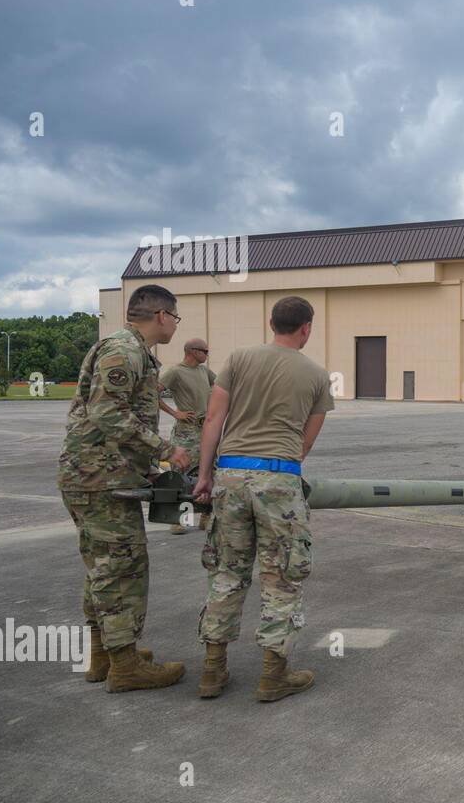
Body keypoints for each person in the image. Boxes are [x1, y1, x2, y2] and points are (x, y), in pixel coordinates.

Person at [191, 296, 334, 702]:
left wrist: (205, 476)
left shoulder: (237, 359)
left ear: (271, 322)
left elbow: (214, 419)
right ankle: (274, 676)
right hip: (279, 477)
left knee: (227, 572)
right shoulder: (317, 375)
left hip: (230, 476)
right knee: (281, 576)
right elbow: (305, 443)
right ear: (306, 327)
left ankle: (212, 673)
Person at [58, 284, 192, 692]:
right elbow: (107, 414)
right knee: (123, 569)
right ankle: (126, 666)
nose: (175, 326)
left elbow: (119, 420)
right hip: (101, 480)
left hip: (103, 475)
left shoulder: (132, 351)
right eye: (176, 318)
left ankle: (105, 654)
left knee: (102, 567)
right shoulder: (125, 351)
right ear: (162, 316)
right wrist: (167, 449)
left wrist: (148, 467)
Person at [159, 338, 215, 534]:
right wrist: (175, 412)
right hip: (186, 431)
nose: (207, 354)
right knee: (182, 473)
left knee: (209, 472)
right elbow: (152, 393)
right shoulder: (176, 372)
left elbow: (221, 387)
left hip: (205, 429)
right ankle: (181, 519)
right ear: (192, 351)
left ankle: (207, 515)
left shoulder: (204, 371)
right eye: (204, 351)